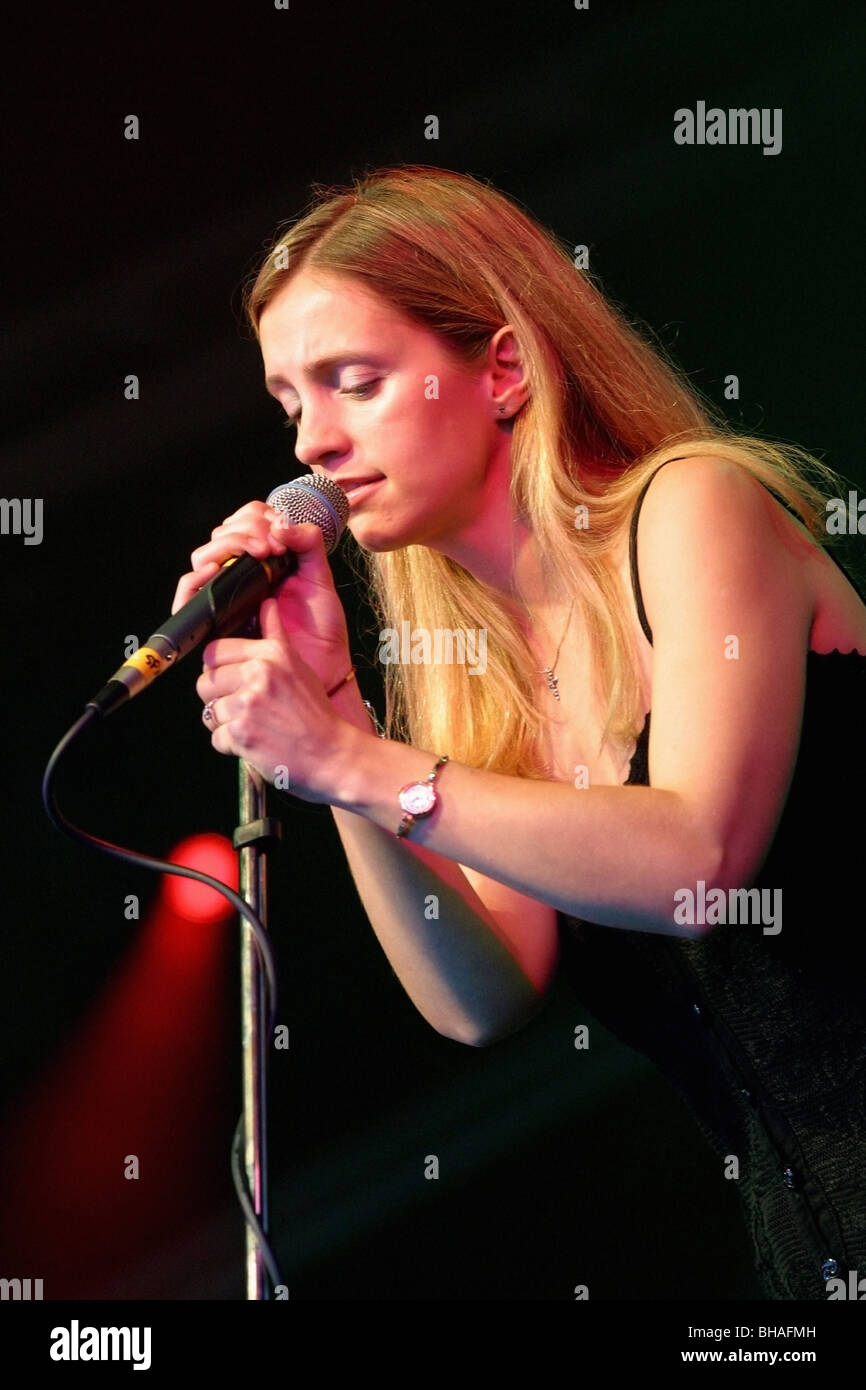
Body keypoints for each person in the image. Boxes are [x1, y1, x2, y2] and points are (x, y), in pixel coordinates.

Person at [172, 165, 866, 1301]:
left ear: (500, 368)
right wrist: (342, 721)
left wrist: (354, 759)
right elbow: (479, 998)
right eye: (291, 403)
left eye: (355, 381)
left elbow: (696, 863)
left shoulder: (692, 508)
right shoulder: (469, 690)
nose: (313, 444)